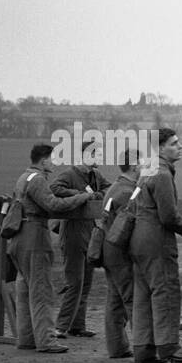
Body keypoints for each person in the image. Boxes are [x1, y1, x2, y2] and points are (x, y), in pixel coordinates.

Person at [129, 128, 182, 363]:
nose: (180, 146)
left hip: (137, 239)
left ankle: (143, 349)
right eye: (174, 143)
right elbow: (169, 216)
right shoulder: (162, 174)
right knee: (166, 293)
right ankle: (169, 346)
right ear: (160, 148)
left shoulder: (146, 171)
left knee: (143, 295)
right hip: (156, 240)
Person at [6, 143, 93, 353]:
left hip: (18, 239)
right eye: (52, 158)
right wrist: (83, 196)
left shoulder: (23, 177)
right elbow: (54, 206)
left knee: (25, 289)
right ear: (43, 160)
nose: (54, 162)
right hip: (35, 238)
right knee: (41, 291)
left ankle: (27, 338)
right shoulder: (38, 180)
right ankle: (46, 341)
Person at [49, 142, 109, 338]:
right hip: (73, 234)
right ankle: (61, 326)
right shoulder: (69, 174)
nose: (100, 157)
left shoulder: (96, 176)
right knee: (74, 282)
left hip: (90, 234)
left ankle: (77, 325)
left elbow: (110, 190)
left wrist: (97, 195)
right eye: (97, 154)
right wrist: (81, 195)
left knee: (86, 283)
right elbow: (55, 188)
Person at [100, 150, 141, 358]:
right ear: (135, 166)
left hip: (107, 250)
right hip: (120, 252)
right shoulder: (127, 192)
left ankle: (117, 347)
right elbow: (128, 228)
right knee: (132, 298)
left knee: (115, 300)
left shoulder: (115, 187)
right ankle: (143, 346)